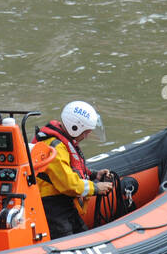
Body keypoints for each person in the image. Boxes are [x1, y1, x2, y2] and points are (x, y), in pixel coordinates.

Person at [35, 100, 113, 239]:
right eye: (85, 132)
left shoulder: (62, 142)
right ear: (75, 127)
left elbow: (71, 169)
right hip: (52, 206)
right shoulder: (56, 148)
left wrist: (94, 174)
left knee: (82, 234)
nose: (86, 136)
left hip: (63, 202)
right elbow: (68, 183)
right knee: (65, 239)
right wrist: (95, 188)